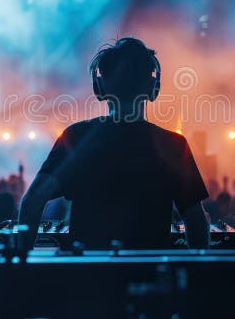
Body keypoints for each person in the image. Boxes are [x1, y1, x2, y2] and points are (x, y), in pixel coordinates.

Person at [19, 38, 209, 250]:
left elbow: (32, 203)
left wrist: (23, 264)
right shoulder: (174, 145)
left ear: (99, 87)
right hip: (151, 270)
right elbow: (196, 222)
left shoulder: (75, 138)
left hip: (88, 269)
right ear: (152, 87)